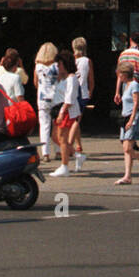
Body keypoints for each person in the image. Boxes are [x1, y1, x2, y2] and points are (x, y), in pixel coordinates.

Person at [51, 49, 81, 179]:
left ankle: (65, 165)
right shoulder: (66, 78)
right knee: (56, 137)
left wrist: (62, 113)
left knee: (62, 138)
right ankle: (75, 155)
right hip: (60, 109)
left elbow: (69, 99)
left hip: (66, 110)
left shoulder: (72, 79)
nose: (58, 67)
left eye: (59, 64)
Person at [34, 42, 59, 162]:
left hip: (42, 99)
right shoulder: (57, 66)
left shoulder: (38, 66)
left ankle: (45, 153)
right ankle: (58, 150)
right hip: (56, 98)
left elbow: (35, 82)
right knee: (57, 125)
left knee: (44, 126)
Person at [71, 37, 93, 173]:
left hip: (73, 93)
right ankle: (77, 145)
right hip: (83, 93)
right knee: (76, 120)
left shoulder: (71, 61)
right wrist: (90, 92)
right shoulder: (88, 61)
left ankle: (75, 146)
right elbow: (91, 79)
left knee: (74, 120)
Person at [115, 32, 139, 107]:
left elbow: (119, 75)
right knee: (137, 110)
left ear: (130, 40)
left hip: (125, 84)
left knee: (127, 110)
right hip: (137, 84)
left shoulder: (122, 54)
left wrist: (117, 92)